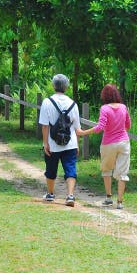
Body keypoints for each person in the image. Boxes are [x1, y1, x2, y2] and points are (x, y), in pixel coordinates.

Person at [76, 84, 131, 210]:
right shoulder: (123, 107)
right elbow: (128, 125)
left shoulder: (105, 108)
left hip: (108, 143)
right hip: (124, 142)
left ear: (104, 96)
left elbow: (100, 127)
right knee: (123, 172)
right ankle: (120, 202)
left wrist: (83, 133)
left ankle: (108, 197)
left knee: (107, 169)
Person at [39, 74, 81, 207]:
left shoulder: (47, 102)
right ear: (66, 87)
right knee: (70, 168)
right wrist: (77, 144)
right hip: (70, 142)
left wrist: (45, 143)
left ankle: (50, 194)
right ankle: (70, 195)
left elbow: (45, 125)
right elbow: (76, 127)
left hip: (52, 143)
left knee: (51, 168)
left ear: (53, 86)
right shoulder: (73, 104)